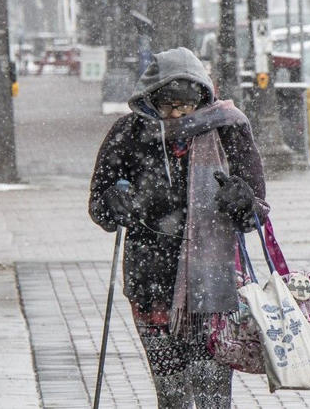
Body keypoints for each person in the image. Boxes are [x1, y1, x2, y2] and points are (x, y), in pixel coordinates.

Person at [89, 47, 269, 408]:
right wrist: (113, 202)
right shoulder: (129, 133)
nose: (176, 114)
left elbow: (256, 215)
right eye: (167, 104)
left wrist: (242, 200)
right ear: (150, 100)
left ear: (202, 96)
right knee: (171, 396)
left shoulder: (227, 129)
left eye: (185, 104)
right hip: (150, 282)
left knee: (212, 396)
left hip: (214, 288)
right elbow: (99, 205)